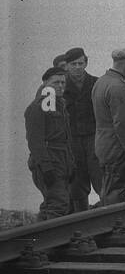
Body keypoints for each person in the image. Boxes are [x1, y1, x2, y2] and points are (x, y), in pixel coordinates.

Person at [91, 48, 125, 205]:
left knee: (107, 188)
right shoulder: (117, 87)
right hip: (117, 148)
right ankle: (115, 225)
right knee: (116, 190)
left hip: (102, 145)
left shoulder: (101, 82)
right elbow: (123, 124)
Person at [24, 66, 73, 220]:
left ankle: (39, 237)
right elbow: (35, 142)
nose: (60, 86)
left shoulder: (60, 105)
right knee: (58, 204)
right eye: (55, 82)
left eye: (63, 83)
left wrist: (71, 164)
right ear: (45, 83)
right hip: (49, 161)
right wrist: (46, 168)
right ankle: (49, 242)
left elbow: (66, 139)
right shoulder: (37, 107)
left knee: (54, 204)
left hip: (62, 161)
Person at [60, 47, 102, 212]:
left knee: (101, 178)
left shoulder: (96, 83)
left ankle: (108, 218)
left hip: (94, 139)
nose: (77, 67)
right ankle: (81, 220)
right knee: (76, 184)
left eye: (80, 63)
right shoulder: (60, 87)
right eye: (73, 64)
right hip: (72, 141)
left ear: (86, 63)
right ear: (67, 65)